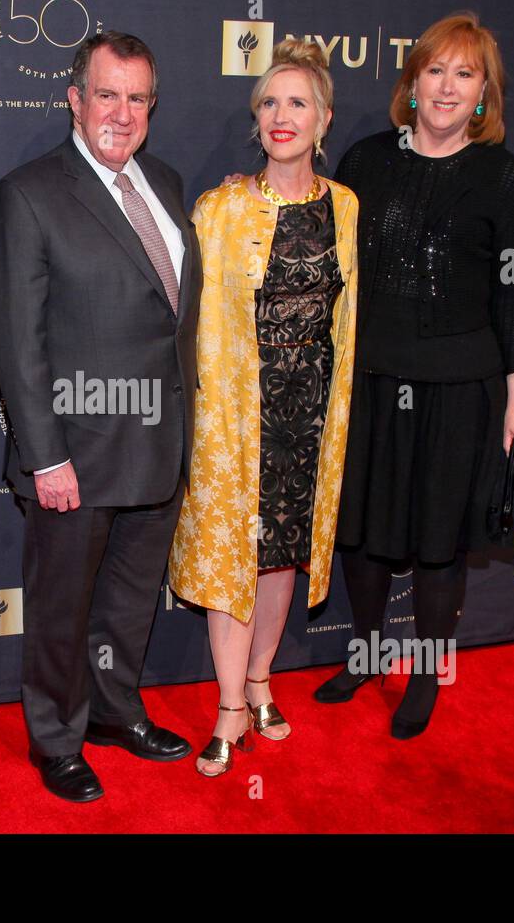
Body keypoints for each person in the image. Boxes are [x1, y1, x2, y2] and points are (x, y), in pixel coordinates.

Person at [0, 32, 200, 802]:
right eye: (107, 93)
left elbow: (173, 322)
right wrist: (45, 457)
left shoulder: (166, 184)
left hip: (157, 443)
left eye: (138, 98)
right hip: (74, 449)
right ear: (75, 99)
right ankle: (56, 739)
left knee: (131, 601)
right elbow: (16, 341)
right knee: (63, 610)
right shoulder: (28, 194)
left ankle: (113, 711)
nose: (122, 112)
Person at [312, 12, 514, 739]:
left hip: (458, 392)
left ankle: (426, 673)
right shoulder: (364, 162)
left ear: (484, 96)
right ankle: (370, 653)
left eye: (465, 74)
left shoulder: (505, 178)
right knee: (366, 535)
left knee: (440, 541)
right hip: (372, 382)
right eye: (434, 71)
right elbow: (321, 253)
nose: (447, 87)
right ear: (411, 84)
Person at [168, 39, 359, 777]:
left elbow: (348, 319)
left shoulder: (345, 207)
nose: (283, 116)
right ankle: (228, 708)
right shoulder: (218, 208)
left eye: (298, 103)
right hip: (236, 419)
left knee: (284, 557)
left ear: (323, 119)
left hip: (312, 418)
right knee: (232, 558)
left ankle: (260, 681)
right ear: (257, 121)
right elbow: (189, 321)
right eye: (270, 104)